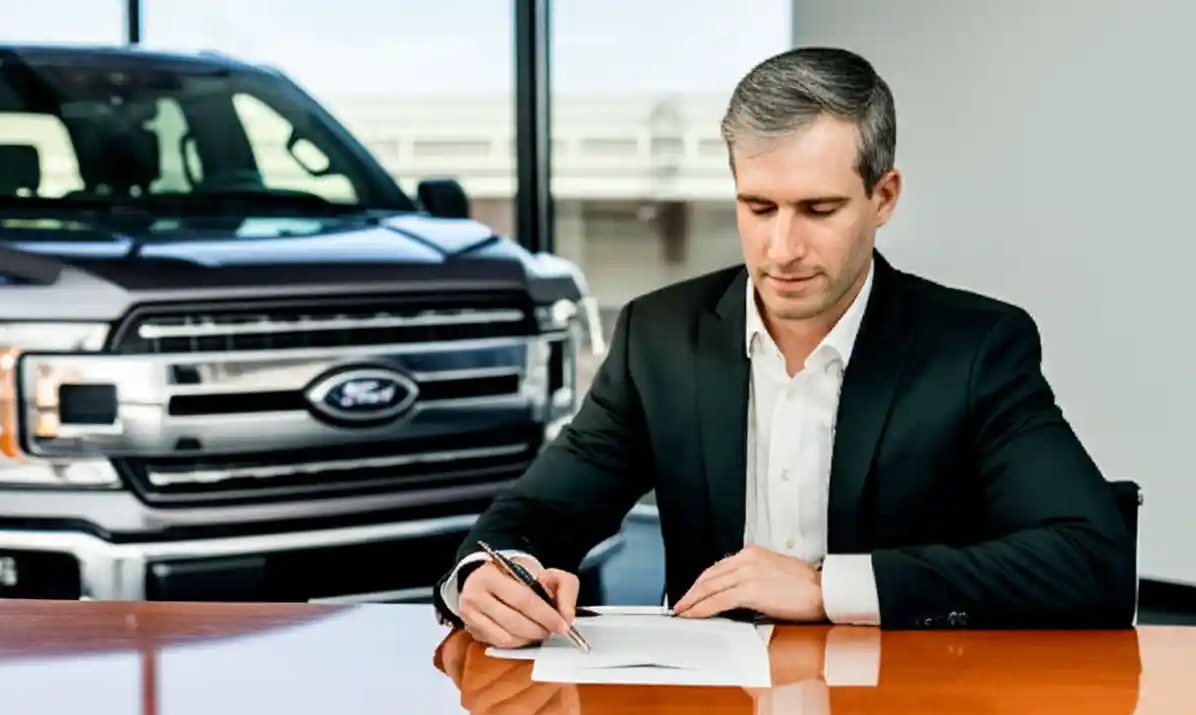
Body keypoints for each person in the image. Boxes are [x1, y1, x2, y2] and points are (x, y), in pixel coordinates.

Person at [432, 46, 1135, 646]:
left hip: (906, 696)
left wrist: (829, 589)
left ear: (883, 198)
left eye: (819, 209)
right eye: (758, 207)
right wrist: (487, 577)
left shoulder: (976, 345)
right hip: (714, 699)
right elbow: (543, 512)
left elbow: (1089, 559)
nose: (782, 248)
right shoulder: (659, 335)